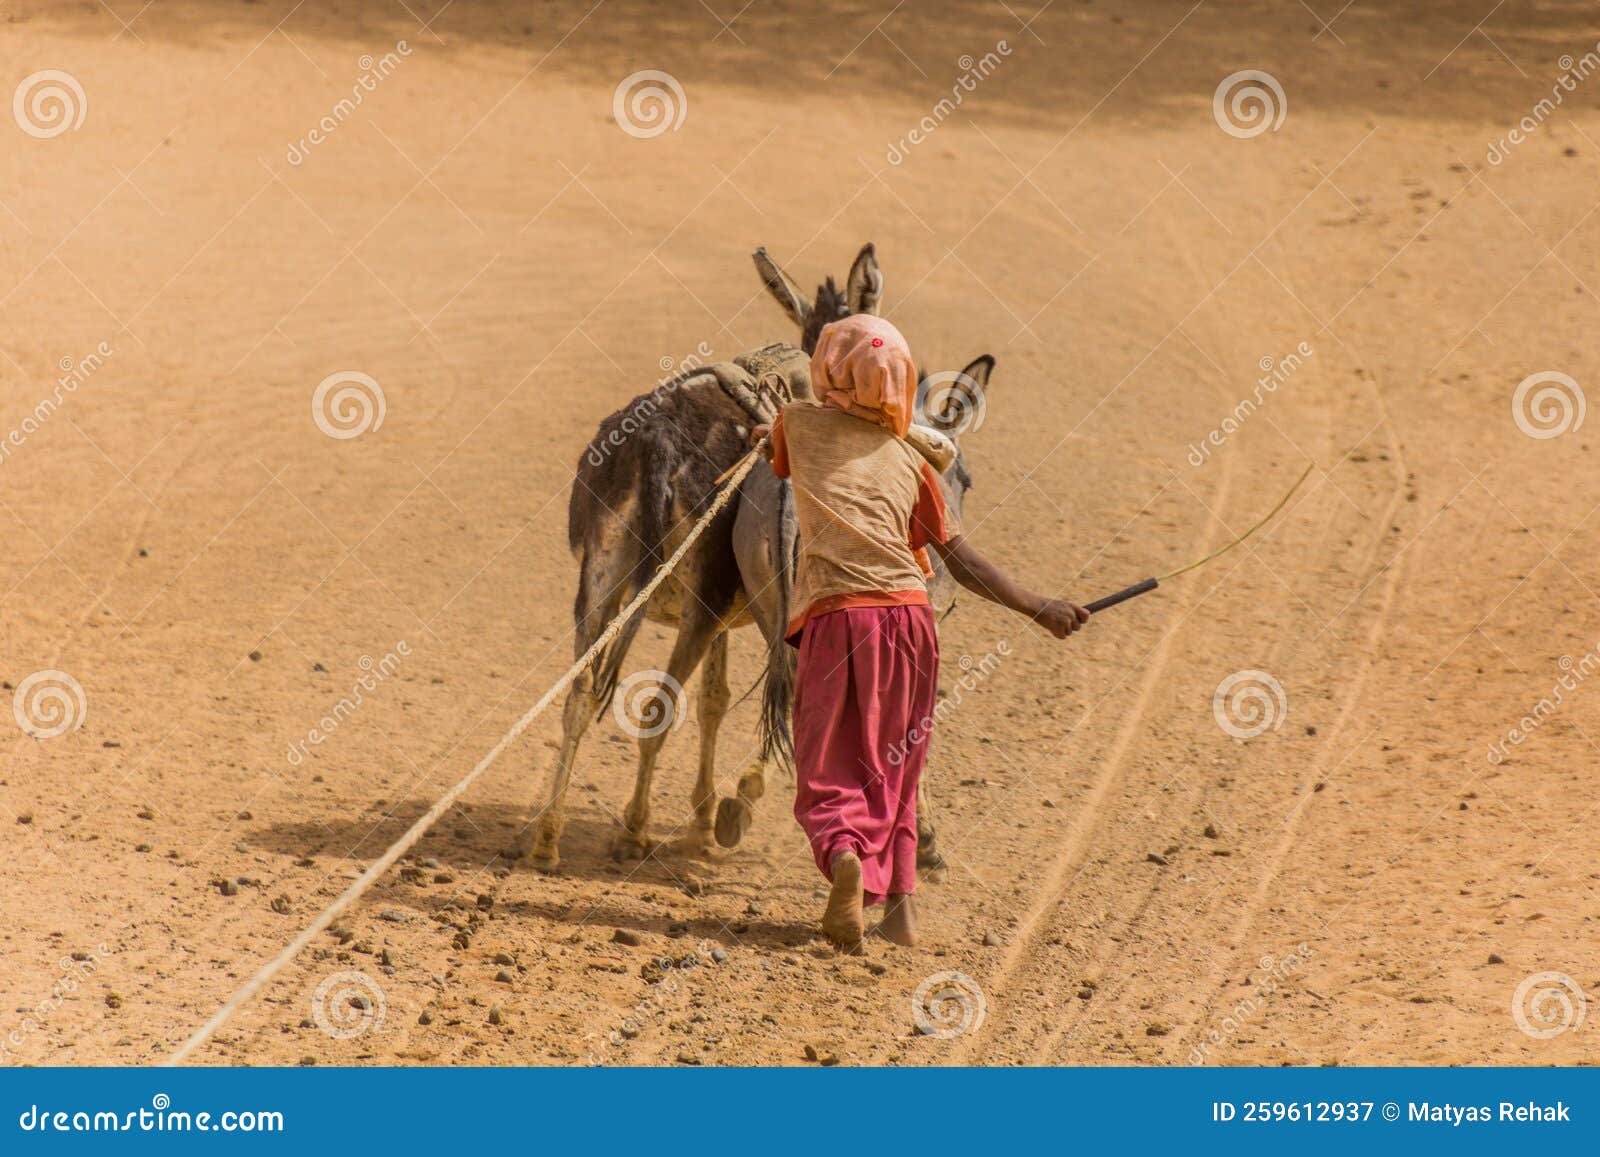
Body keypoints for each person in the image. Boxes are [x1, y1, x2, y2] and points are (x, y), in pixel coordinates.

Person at [752, 313, 1088, 952]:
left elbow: (775, 454)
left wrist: (767, 431)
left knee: (827, 763)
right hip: (911, 620)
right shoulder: (914, 462)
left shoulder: (798, 425)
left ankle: (844, 851)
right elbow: (962, 563)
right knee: (898, 766)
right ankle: (901, 912)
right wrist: (1038, 607)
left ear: (827, 368)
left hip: (837, 615)